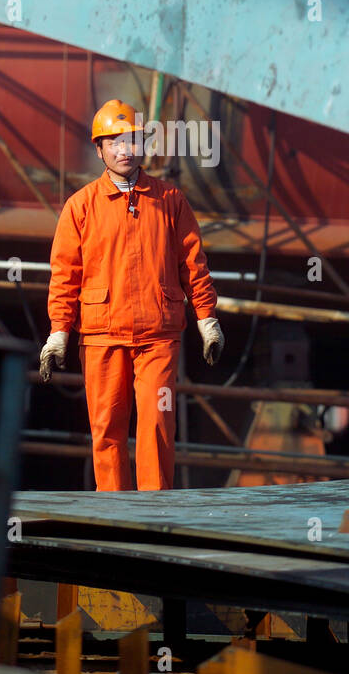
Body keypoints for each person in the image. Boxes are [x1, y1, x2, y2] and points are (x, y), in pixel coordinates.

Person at [39, 98, 224, 491]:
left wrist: (207, 319)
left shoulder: (170, 201)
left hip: (158, 337)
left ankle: (154, 514)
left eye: (132, 140)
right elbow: (65, 275)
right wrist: (58, 332)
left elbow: (193, 264)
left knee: (157, 424)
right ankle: (114, 514)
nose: (124, 150)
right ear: (99, 149)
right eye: (115, 142)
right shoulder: (81, 207)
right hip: (102, 337)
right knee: (107, 429)